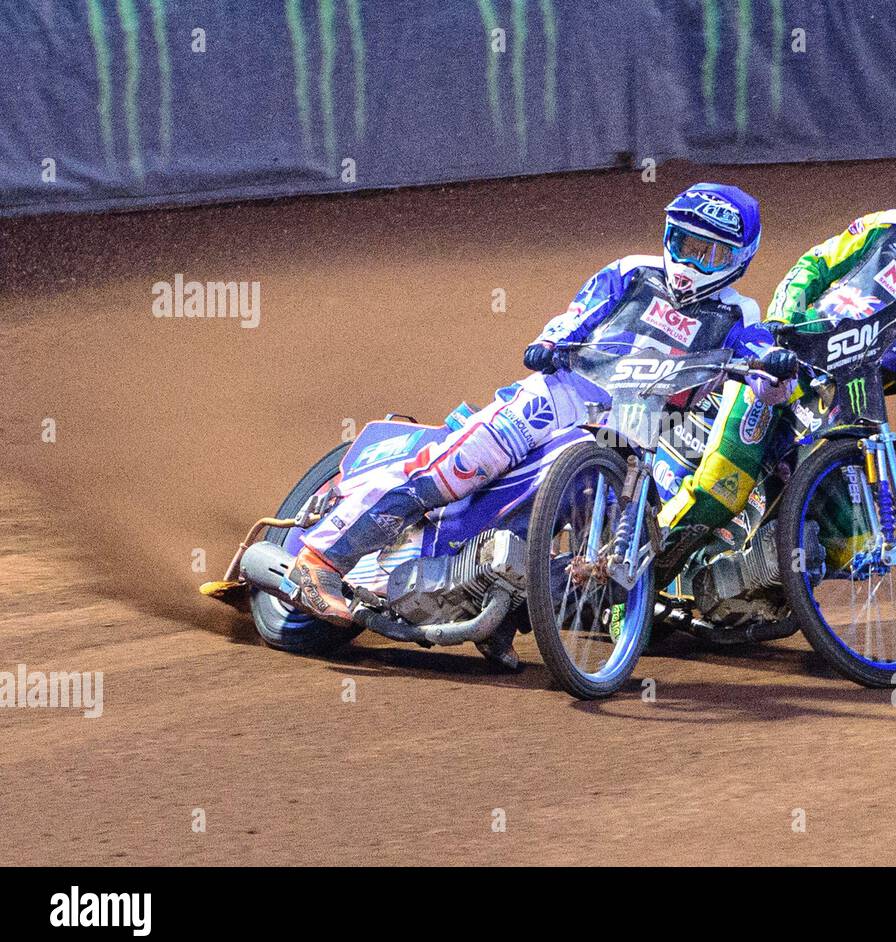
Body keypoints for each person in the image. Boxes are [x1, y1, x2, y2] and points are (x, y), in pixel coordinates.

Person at [288, 183, 798, 625]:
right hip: (560, 397)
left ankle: (495, 612)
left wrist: (777, 370)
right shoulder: (632, 271)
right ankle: (321, 561)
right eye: (685, 245)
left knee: (571, 535)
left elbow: (761, 366)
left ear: (738, 258)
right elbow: (577, 313)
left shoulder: (738, 314)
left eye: (710, 254)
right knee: (454, 470)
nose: (691, 263)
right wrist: (548, 342)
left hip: (635, 436)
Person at [657, 156, 896, 565]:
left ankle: (758, 582)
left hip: (850, 402)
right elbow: (812, 266)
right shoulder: (889, 227)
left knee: (852, 545)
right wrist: (780, 325)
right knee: (722, 488)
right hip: (790, 365)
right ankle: (632, 583)